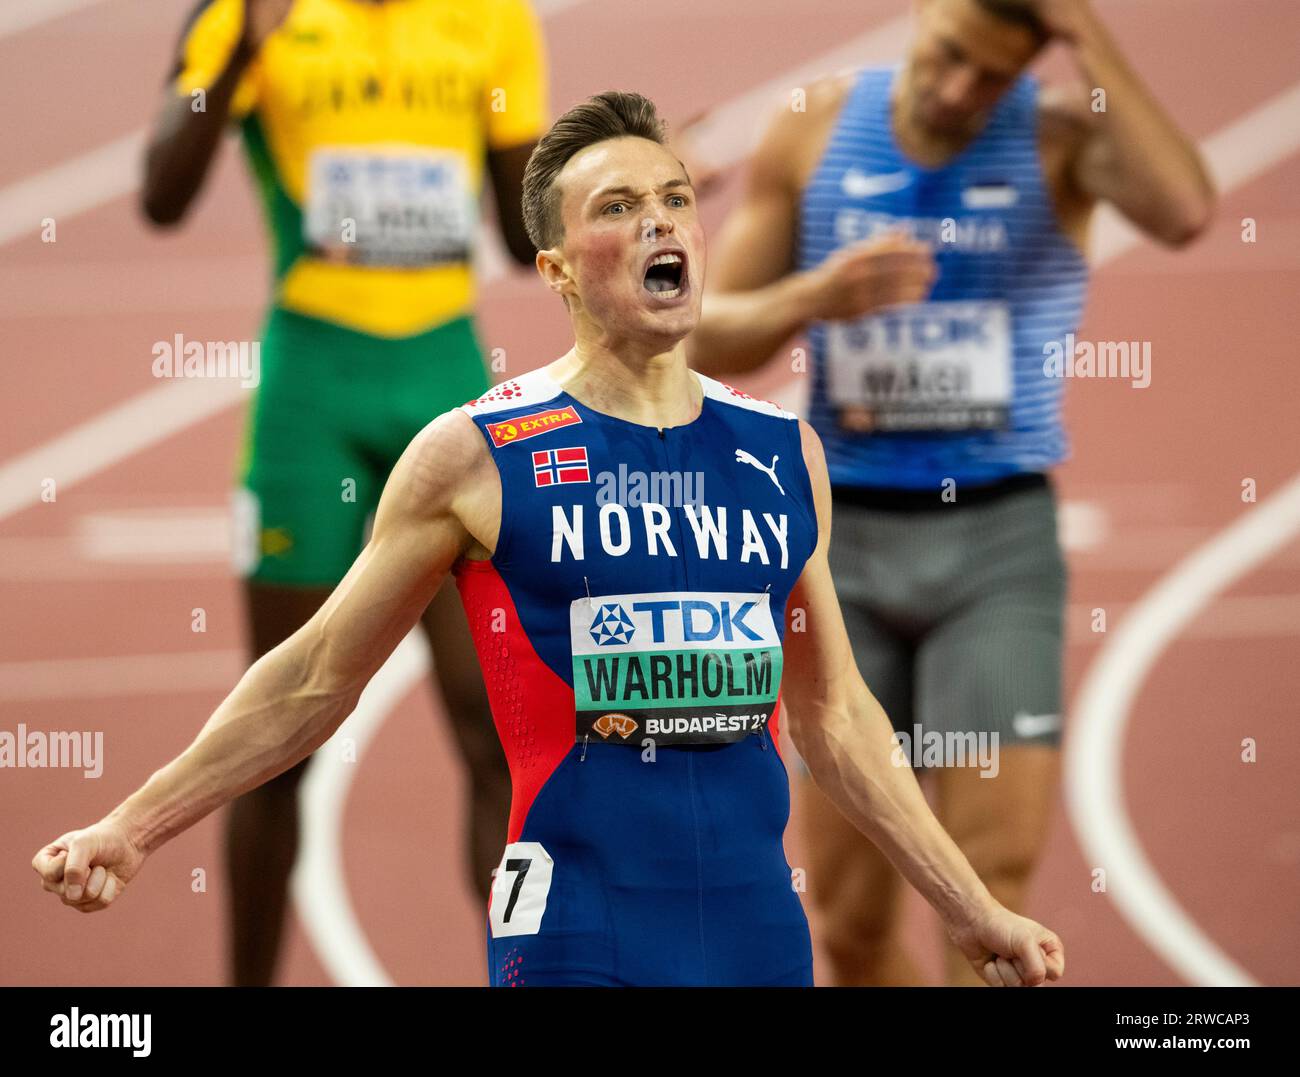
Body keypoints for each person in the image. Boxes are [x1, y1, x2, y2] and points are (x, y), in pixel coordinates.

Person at [38, 91, 1064, 989]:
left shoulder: (778, 453)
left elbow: (836, 719)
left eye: (672, 198)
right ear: (560, 270)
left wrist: (974, 912)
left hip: (755, 934)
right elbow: (314, 677)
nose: (660, 220)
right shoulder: (476, 456)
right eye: (617, 208)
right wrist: (132, 827)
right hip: (578, 930)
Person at [686, 0, 1214, 984]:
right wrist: (812, 297)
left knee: (992, 895)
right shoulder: (814, 129)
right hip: (843, 549)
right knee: (845, 920)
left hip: (995, 545)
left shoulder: (1059, 137)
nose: (961, 90)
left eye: (994, 76)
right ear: (922, 16)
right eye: (950, 57)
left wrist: (1084, 30)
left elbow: (1183, 211)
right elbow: (708, 337)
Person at [139, 0, 549, 985]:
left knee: (489, 733)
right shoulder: (250, 12)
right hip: (310, 398)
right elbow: (161, 192)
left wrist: (624, 181)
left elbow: (519, 230)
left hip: (446, 395)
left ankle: (521, 974)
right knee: (275, 739)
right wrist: (236, 53)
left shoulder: (490, 19)